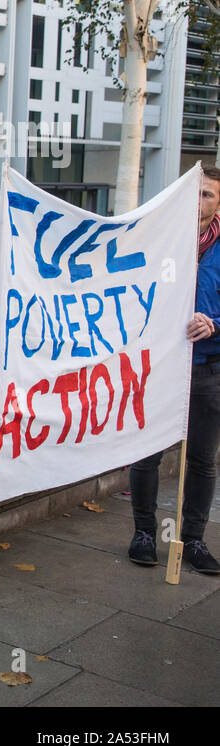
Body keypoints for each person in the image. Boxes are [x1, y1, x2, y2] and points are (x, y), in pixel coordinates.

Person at [126, 165, 220, 574]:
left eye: (208, 194)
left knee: (201, 460)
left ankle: (193, 540)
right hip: (159, 367)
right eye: (194, 191)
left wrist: (215, 324)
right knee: (146, 453)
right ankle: (145, 534)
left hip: (207, 370)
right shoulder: (159, 237)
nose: (198, 200)